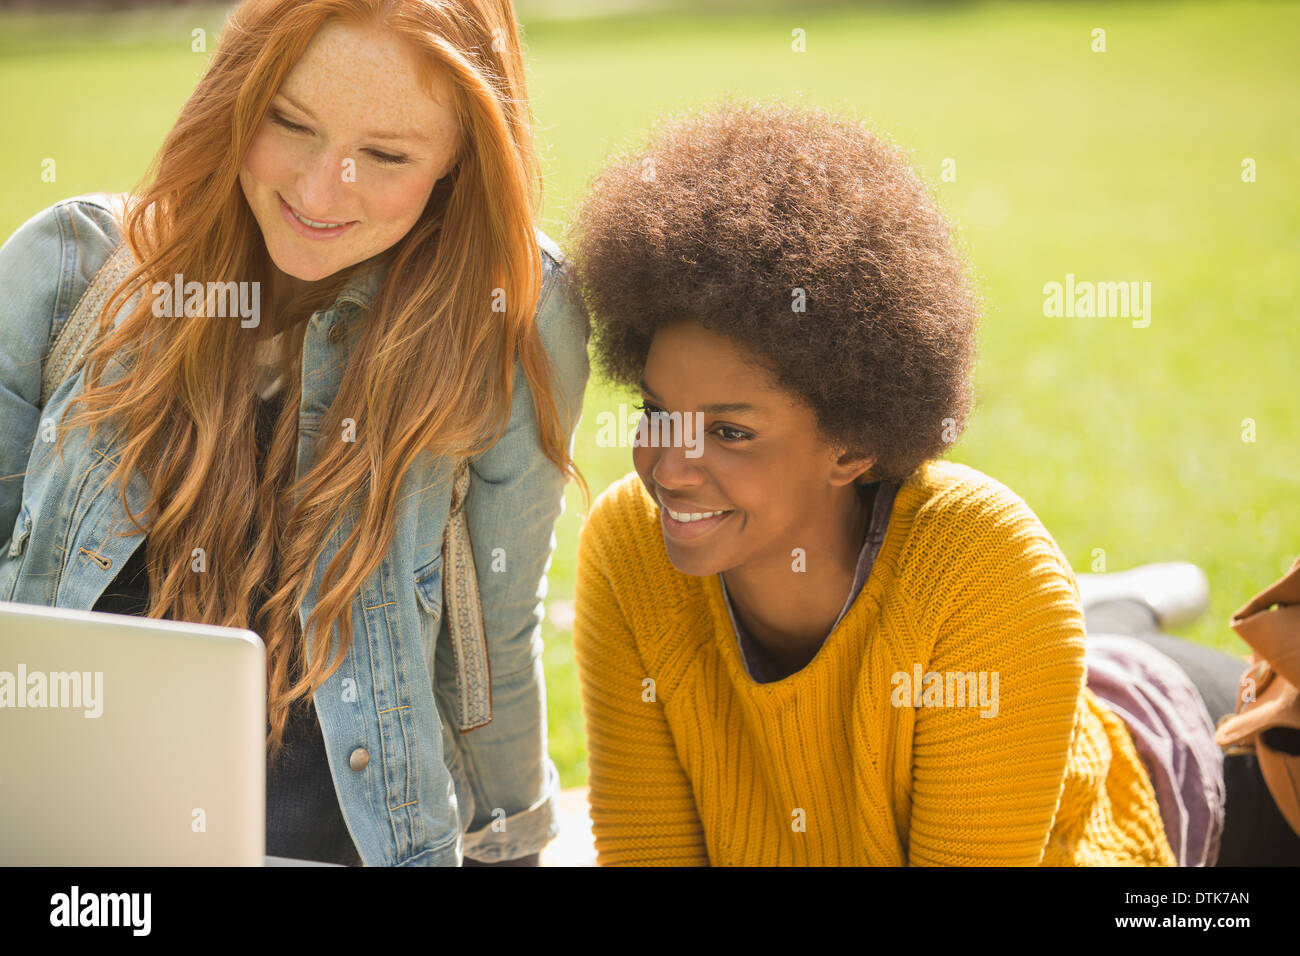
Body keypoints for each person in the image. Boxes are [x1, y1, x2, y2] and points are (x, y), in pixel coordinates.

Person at [567, 97, 1296, 865]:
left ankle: (1112, 624)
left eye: (732, 431)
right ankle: (1115, 615)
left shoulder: (985, 565)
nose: (669, 466)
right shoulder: (629, 546)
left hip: (1177, 765)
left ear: (850, 447)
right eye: (657, 410)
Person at [0, 0, 589, 867]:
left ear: (463, 156)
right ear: (237, 93)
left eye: (386, 155)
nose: (319, 192)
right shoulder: (67, 272)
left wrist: (514, 848)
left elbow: (489, 642)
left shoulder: (513, 317)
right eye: (289, 122)